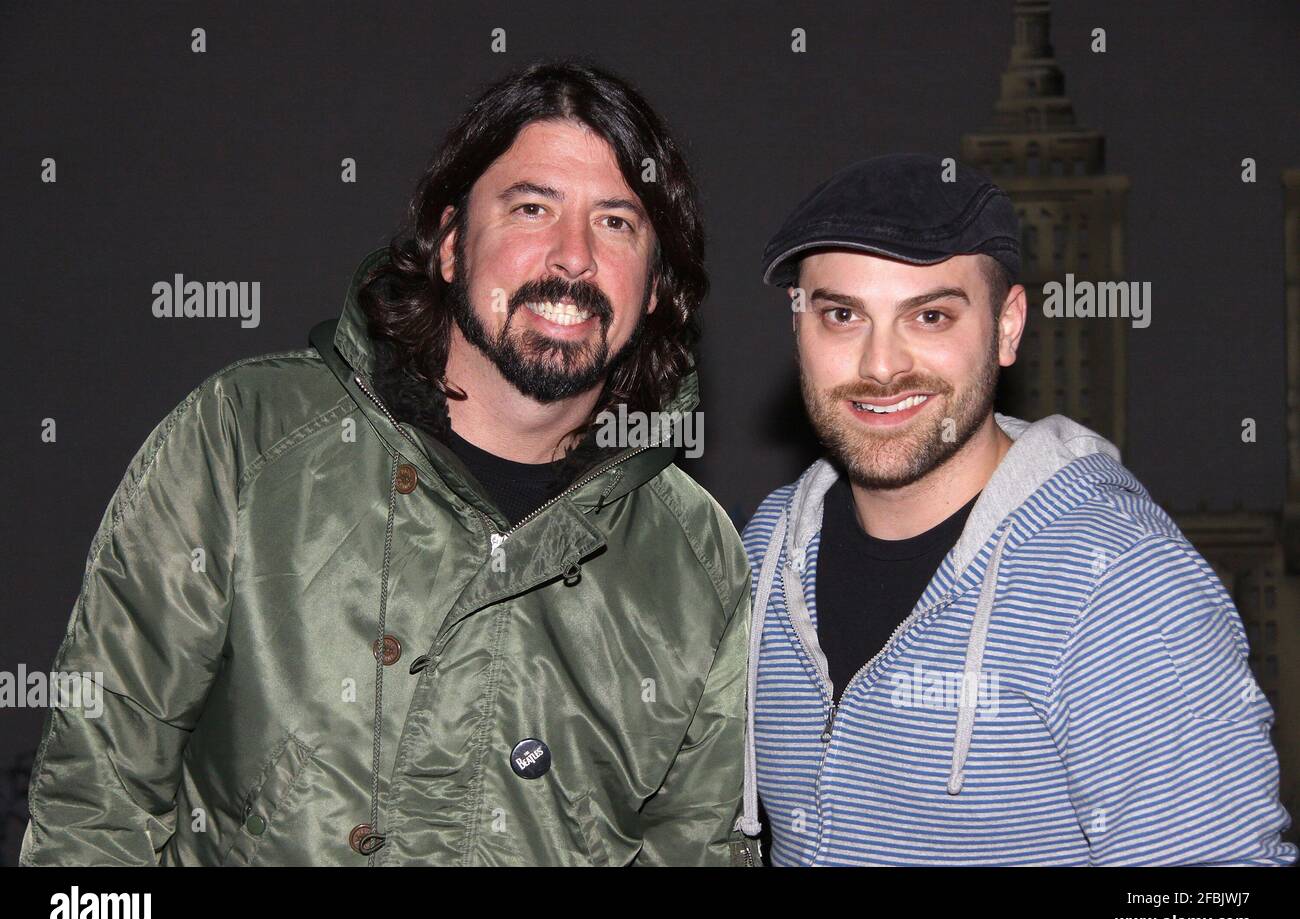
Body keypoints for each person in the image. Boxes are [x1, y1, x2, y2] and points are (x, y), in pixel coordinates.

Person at [23, 60, 757, 866]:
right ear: (450, 246)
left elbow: (701, 850)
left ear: (655, 286)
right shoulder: (245, 440)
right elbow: (93, 809)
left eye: (617, 223)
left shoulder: (701, 562)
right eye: (531, 208)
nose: (573, 257)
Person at [737, 152, 1296, 865]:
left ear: (1007, 327)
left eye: (930, 315)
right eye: (842, 315)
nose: (880, 365)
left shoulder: (1121, 583)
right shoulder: (770, 547)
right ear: (799, 331)